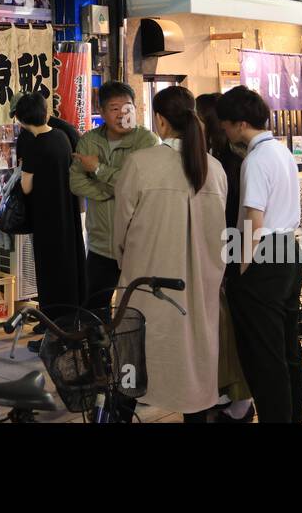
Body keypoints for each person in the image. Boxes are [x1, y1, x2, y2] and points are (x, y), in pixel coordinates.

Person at [115, 86, 228, 422]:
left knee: (133, 362)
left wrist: (126, 264)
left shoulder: (140, 164)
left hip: (146, 285)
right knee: (195, 366)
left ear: (160, 122)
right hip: (200, 289)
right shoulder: (215, 170)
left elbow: (121, 232)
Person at [216, 86, 302, 423]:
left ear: (240, 124)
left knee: (263, 357)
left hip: (264, 258)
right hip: (289, 251)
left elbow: (253, 218)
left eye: (225, 125)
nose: (224, 132)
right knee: (287, 350)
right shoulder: (282, 152)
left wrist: (241, 269)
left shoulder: (254, 160)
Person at [71, 82, 158, 311]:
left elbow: (142, 185)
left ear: (136, 108)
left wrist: (98, 170)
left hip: (136, 243)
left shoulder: (146, 141)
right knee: (94, 308)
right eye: (114, 108)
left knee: (137, 308)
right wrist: (116, 189)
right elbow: (76, 182)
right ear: (101, 112)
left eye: (127, 107)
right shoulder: (89, 140)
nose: (122, 114)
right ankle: (98, 348)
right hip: (101, 243)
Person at [196, 92, 254, 423]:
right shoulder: (224, 158)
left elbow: (237, 217)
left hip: (232, 256)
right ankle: (229, 394)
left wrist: (233, 266)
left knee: (232, 331)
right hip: (228, 254)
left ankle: (241, 402)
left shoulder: (228, 163)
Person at [14, 92, 86, 342]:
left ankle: (52, 324)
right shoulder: (61, 138)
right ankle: (68, 319)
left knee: (48, 269)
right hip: (67, 210)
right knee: (68, 263)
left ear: (22, 119)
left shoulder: (35, 145)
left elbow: (26, 187)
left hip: (45, 215)